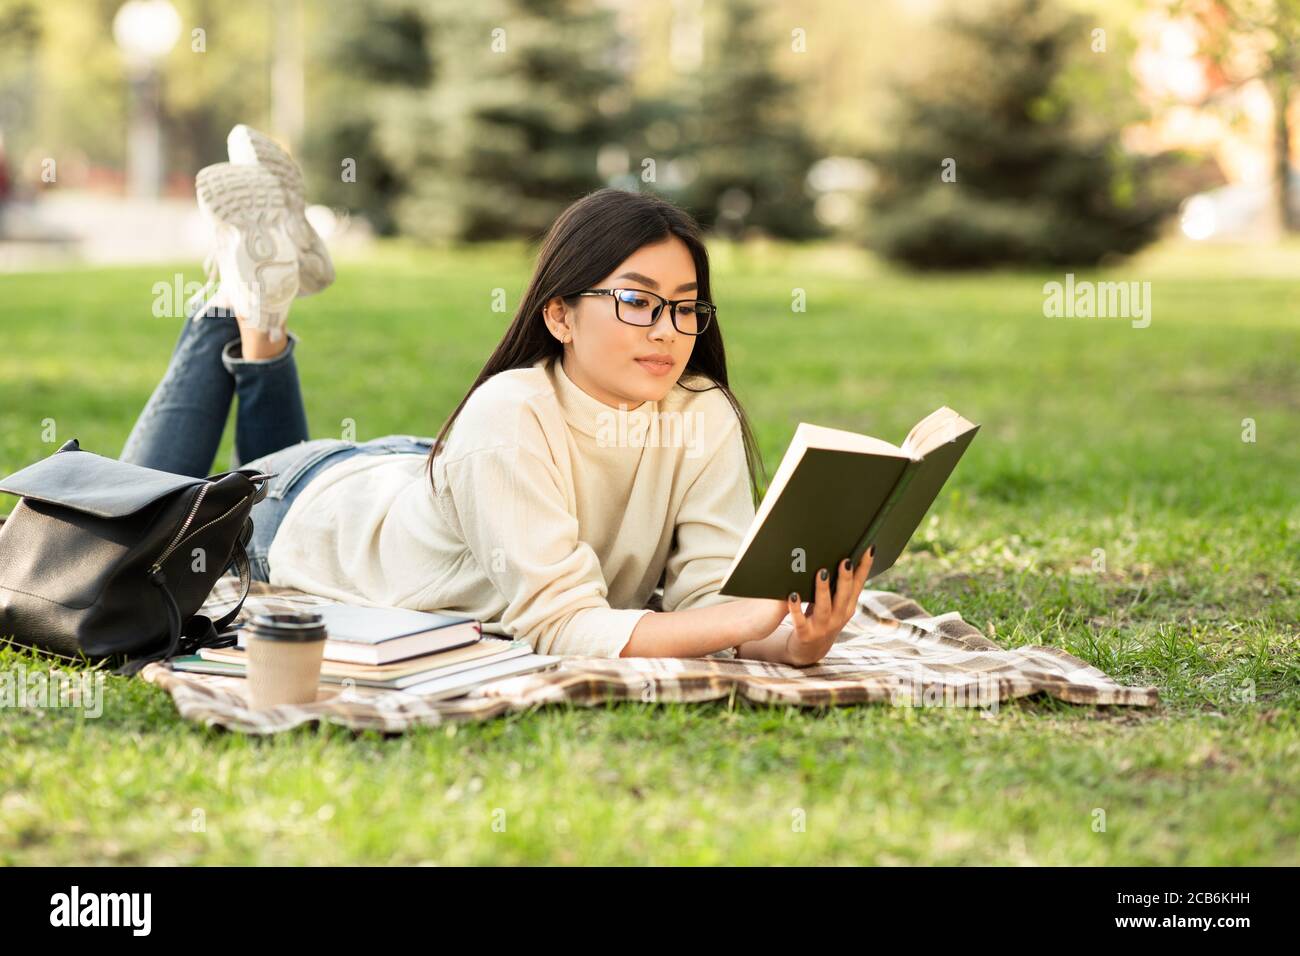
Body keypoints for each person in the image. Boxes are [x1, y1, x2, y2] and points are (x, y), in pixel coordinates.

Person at [121, 125, 874, 667]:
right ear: (559, 314)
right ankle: (239, 290)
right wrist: (742, 622)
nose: (668, 330)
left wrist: (796, 639)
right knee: (125, 524)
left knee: (211, 485)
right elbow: (563, 626)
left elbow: (711, 598)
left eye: (685, 305)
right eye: (638, 301)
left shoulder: (699, 411)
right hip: (313, 513)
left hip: (431, 483)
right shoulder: (510, 413)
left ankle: (264, 304)